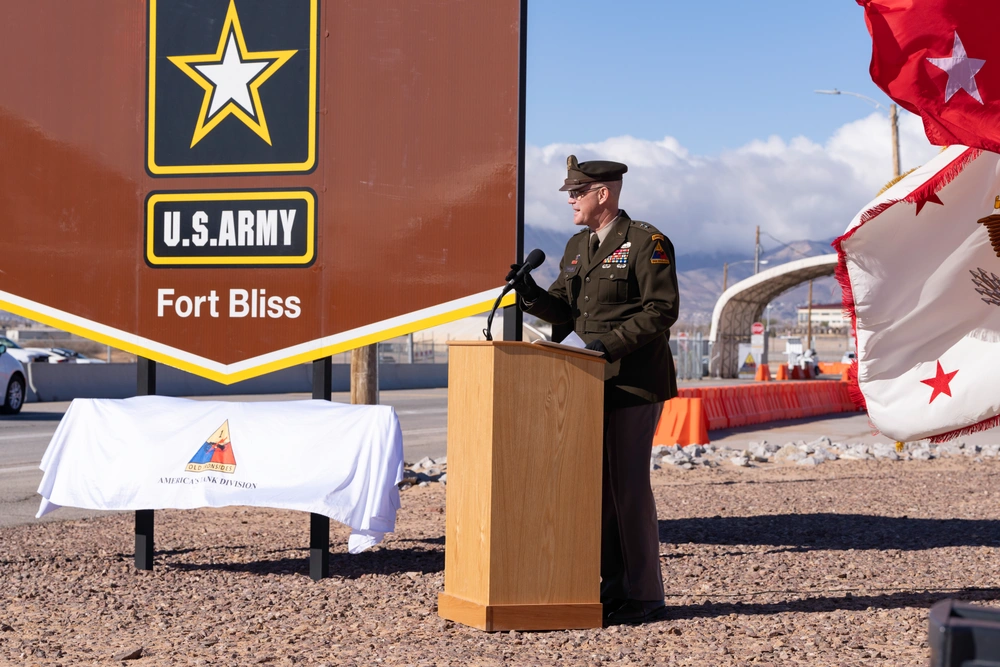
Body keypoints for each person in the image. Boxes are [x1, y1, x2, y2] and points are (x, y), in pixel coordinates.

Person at [508, 155, 679, 624]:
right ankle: (609, 588)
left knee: (627, 489)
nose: (570, 200)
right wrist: (530, 293)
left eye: (577, 192)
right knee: (596, 491)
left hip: (632, 381)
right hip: (585, 380)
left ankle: (644, 594)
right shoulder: (577, 246)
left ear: (603, 194)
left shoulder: (647, 242)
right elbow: (565, 311)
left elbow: (662, 310)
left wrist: (608, 345)